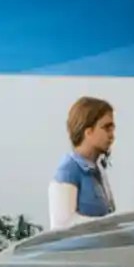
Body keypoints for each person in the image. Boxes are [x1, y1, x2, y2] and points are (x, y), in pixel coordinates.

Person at [48, 96, 117, 230]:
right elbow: (63, 225)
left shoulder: (97, 170)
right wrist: (107, 225)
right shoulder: (68, 171)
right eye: (106, 128)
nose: (112, 135)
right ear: (88, 132)